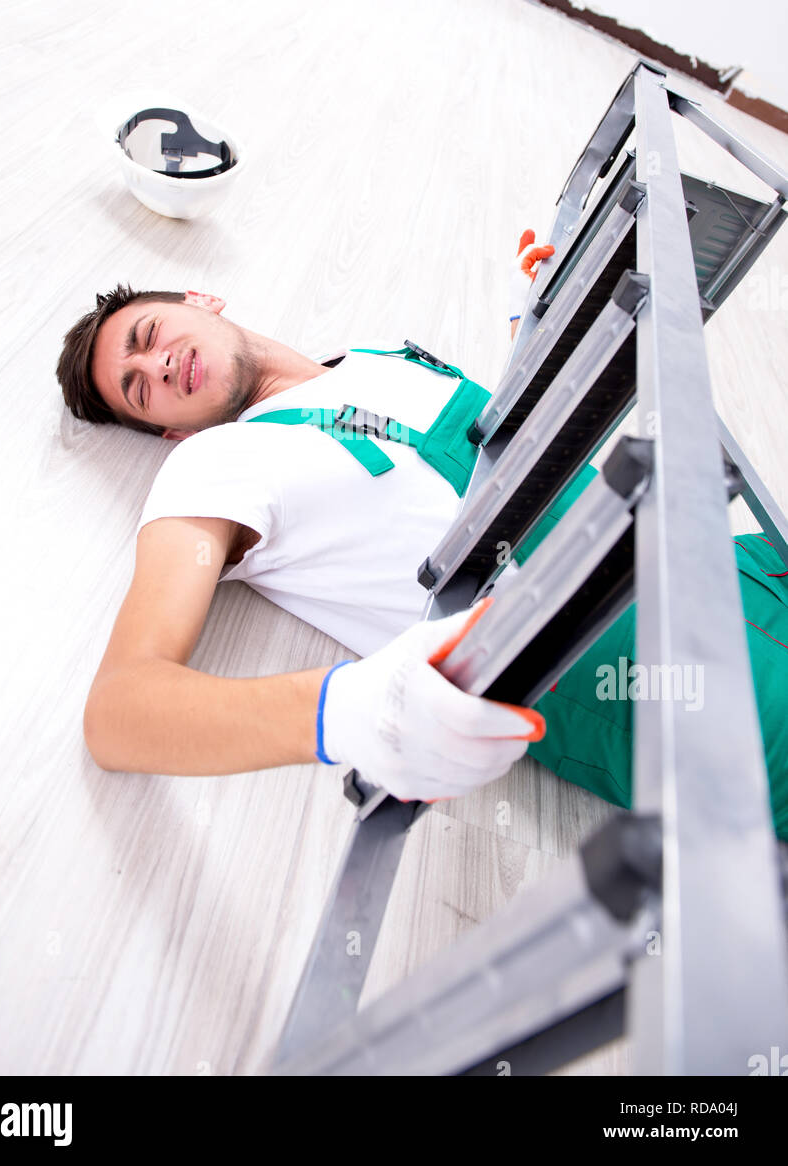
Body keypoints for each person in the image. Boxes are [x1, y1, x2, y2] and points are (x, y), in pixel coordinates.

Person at [55, 240, 788, 836]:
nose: (156, 365)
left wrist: (541, 327)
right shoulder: (215, 463)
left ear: (199, 301)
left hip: (722, 554)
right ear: (172, 432)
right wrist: (346, 710)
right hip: (640, 659)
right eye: (139, 389)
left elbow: (501, 458)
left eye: (147, 339)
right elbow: (118, 710)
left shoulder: (383, 357)